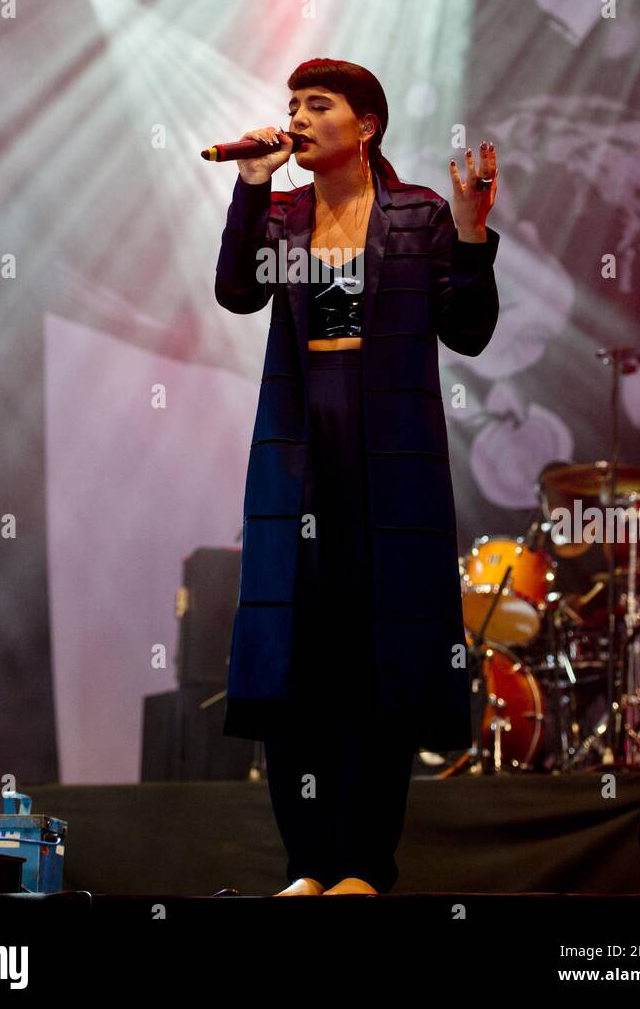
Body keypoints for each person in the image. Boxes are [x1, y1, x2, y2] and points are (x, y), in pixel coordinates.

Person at [215, 57, 500, 895]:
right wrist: (250, 190)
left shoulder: (418, 215)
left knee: (382, 655)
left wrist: (476, 231)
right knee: (297, 651)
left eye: (318, 104)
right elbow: (236, 292)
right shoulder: (287, 216)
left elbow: (471, 332)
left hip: (391, 451)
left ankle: (365, 866)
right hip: (300, 446)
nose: (297, 118)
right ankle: (308, 863)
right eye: (292, 105)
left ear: (364, 124)